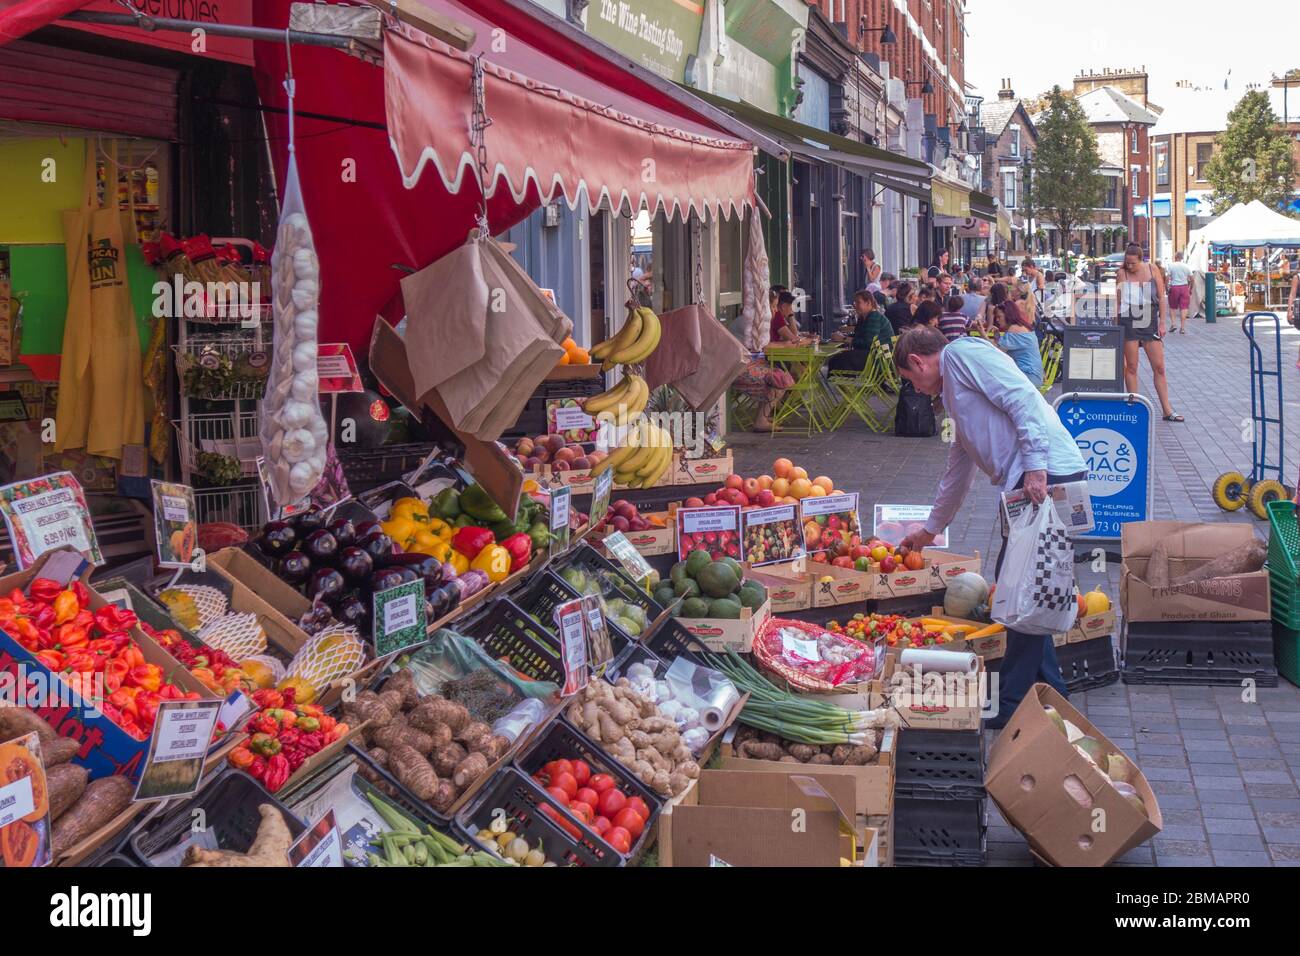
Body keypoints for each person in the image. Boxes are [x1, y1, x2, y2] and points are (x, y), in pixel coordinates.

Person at [894, 326, 1086, 725]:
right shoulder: (953, 392)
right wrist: (931, 530)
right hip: (1028, 480)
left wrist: (1035, 465)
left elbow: (1022, 399)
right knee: (1028, 585)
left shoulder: (962, 356)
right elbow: (958, 469)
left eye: (910, 379)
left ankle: (1013, 701)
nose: (914, 387)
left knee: (1020, 588)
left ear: (917, 361)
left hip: (1045, 474)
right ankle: (1052, 687)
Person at [1116, 243, 1182, 422]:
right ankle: (1133, 405)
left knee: (1159, 367)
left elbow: (1161, 297)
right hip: (1129, 320)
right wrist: (1116, 324)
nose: (1130, 266)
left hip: (1149, 319)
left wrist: (1162, 322)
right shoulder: (1122, 273)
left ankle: (1167, 410)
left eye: (1133, 263)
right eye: (1127, 263)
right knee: (1131, 366)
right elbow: (1119, 301)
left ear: (1141, 260)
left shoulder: (1152, 270)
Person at [828, 290, 893, 373]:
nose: (855, 306)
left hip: (878, 360)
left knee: (837, 360)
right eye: (855, 303)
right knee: (837, 358)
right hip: (872, 356)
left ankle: (845, 385)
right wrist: (841, 336)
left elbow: (868, 343)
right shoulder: (863, 318)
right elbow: (859, 336)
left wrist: (843, 338)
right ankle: (844, 385)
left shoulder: (874, 317)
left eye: (858, 302)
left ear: (868, 303)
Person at [995, 291, 1044, 387]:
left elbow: (997, 352)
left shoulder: (1014, 329)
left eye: (999, 316)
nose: (997, 320)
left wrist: (983, 334)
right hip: (1033, 375)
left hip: (1028, 377)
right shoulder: (1021, 326)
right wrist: (997, 338)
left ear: (1007, 315)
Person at [1166, 252, 1192, 335]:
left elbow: (1167, 277)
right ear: (1182, 258)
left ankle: (1173, 324)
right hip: (1184, 287)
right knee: (1184, 308)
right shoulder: (1186, 266)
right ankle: (1182, 327)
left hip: (1174, 287)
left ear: (1175, 257)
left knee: (1172, 307)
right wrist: (1190, 288)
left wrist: (1166, 287)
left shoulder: (1171, 265)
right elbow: (1192, 278)